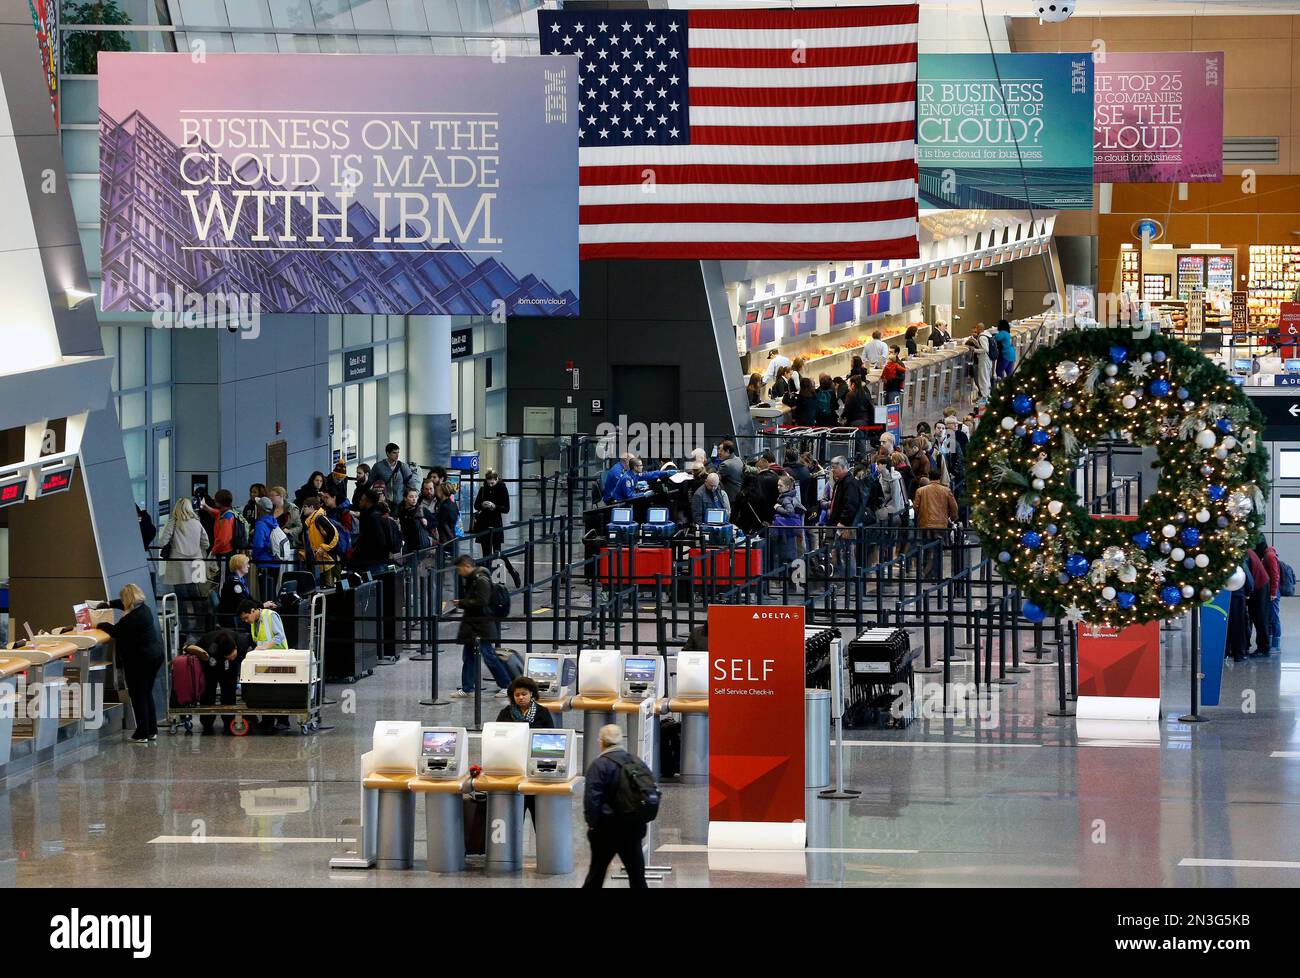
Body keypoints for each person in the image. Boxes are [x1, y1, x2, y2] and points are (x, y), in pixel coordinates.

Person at [94, 584, 165, 744]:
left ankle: (141, 733)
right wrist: (107, 604)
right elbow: (121, 603)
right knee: (146, 694)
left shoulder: (132, 619)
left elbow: (115, 631)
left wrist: (99, 624)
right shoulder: (143, 609)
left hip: (141, 660)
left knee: (138, 695)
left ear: (128, 600)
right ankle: (151, 730)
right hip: (154, 656)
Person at [582, 724, 649, 889]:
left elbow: (592, 800)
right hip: (633, 827)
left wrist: (592, 826)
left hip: (606, 829)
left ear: (602, 742)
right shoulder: (636, 761)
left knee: (596, 875)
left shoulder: (599, 765)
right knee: (637, 877)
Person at [451, 554, 512, 698]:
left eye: (460, 569)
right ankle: (467, 688)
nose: (459, 572)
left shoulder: (481, 580)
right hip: (474, 626)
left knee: (488, 656)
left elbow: (482, 601)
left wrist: (462, 603)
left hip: (482, 626)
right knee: (469, 657)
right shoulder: (474, 579)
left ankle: (506, 685)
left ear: (467, 566)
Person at [182, 628, 251, 735]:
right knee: (208, 694)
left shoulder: (242, 642)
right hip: (210, 668)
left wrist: (232, 660)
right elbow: (190, 649)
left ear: (235, 647)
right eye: (228, 657)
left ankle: (228, 722)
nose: (231, 658)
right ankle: (207, 724)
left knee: (229, 693)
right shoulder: (210, 646)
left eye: (233, 655)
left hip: (230, 670)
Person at [238, 598, 291, 732]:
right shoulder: (254, 622)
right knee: (266, 691)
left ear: (253, 610)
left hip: (279, 658)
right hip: (265, 660)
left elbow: (279, 636)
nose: (246, 620)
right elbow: (258, 640)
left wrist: (264, 648)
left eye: (246, 617)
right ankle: (268, 721)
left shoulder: (270, 616)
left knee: (279, 691)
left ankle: (283, 721)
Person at [472, 469, 520, 587]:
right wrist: (483, 505)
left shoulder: (502, 488)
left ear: (497, 479)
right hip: (484, 523)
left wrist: (494, 506)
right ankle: (487, 581)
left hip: (496, 522)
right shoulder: (483, 489)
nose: (490, 485)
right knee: (486, 553)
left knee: (498, 552)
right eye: (488, 483)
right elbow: (476, 504)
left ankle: (506, 575)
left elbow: (506, 508)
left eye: (492, 483)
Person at [155, 497, 210, 601]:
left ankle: (183, 617)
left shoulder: (173, 523)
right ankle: (199, 616)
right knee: (195, 593)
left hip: (178, 561)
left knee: (180, 597)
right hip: (196, 561)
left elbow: (162, 542)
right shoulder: (197, 523)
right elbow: (206, 543)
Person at [913, 476, 957, 580]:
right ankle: (935, 574)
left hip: (925, 524)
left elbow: (915, 507)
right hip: (941, 525)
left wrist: (921, 516)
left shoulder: (920, 490)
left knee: (926, 547)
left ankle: (926, 573)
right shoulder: (946, 490)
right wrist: (952, 517)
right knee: (938, 549)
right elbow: (954, 507)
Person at [827, 456, 864, 578]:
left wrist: (844, 523)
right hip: (839, 524)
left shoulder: (849, 483)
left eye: (835, 468)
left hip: (846, 525)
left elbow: (851, 505)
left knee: (847, 553)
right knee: (840, 552)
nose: (832, 470)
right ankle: (843, 577)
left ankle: (851, 580)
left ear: (843, 467)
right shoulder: (841, 481)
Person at [300, 495, 340, 585]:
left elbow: (334, 534)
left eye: (305, 507)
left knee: (329, 589)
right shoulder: (309, 522)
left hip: (327, 562)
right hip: (317, 562)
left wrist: (324, 547)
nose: (303, 509)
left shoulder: (319, 519)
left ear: (312, 507)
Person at [249, 496, 280, 598]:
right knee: (272, 594)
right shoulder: (274, 522)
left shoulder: (261, 524)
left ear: (260, 508)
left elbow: (258, 545)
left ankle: (266, 614)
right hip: (276, 562)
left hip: (264, 563)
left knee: (265, 596)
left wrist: (254, 557)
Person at [772, 473, 805, 567]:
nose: (778, 487)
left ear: (787, 486)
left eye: (780, 485)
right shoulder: (791, 496)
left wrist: (777, 508)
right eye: (778, 485)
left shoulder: (786, 499)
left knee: (786, 553)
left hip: (785, 531)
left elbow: (790, 512)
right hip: (789, 531)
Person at [1245, 545, 1272, 657]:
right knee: (1255, 615)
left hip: (1260, 585)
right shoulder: (1245, 551)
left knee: (1260, 617)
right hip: (1258, 584)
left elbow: (1249, 578)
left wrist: (1246, 595)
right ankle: (1261, 646)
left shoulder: (1243, 554)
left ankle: (1263, 648)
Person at [1257, 538, 1282, 651]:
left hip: (1273, 591)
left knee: (1273, 616)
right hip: (1271, 591)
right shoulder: (1269, 555)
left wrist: (1273, 593)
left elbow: (1275, 575)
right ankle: (1272, 642)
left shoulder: (1269, 556)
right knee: (1270, 616)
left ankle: (1276, 644)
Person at [217, 553, 256, 628]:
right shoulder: (234, 581)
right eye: (246, 564)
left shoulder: (240, 580)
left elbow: (248, 598)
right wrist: (261, 606)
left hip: (236, 614)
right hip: (231, 617)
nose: (249, 566)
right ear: (239, 565)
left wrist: (262, 604)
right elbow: (242, 601)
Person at [967, 322, 994, 404]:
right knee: (986, 378)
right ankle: (987, 395)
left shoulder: (982, 337)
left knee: (983, 379)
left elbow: (985, 349)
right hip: (988, 359)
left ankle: (985, 397)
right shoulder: (988, 334)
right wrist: (976, 343)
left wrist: (974, 350)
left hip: (984, 359)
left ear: (979, 329)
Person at [716, 440, 744, 507]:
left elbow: (715, 479)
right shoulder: (738, 459)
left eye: (721, 450)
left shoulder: (725, 464)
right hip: (739, 496)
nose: (718, 452)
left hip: (730, 499)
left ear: (727, 451)